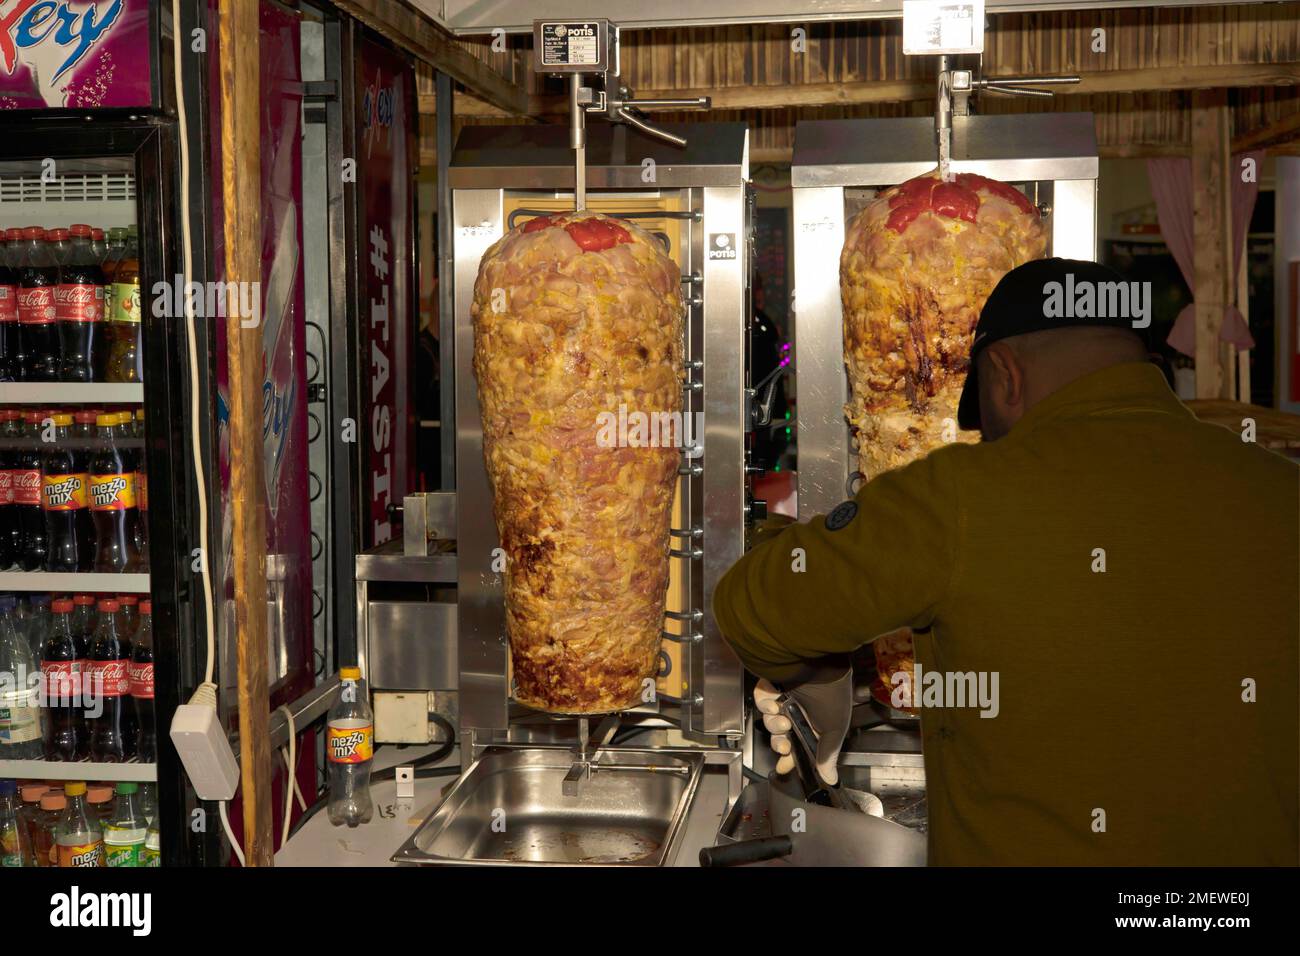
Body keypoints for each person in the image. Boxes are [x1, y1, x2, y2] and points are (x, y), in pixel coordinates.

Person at [713, 257, 1299, 866]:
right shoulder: (1286, 493)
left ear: (1004, 376)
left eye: (982, 416)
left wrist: (822, 676)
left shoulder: (960, 497)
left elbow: (751, 607)